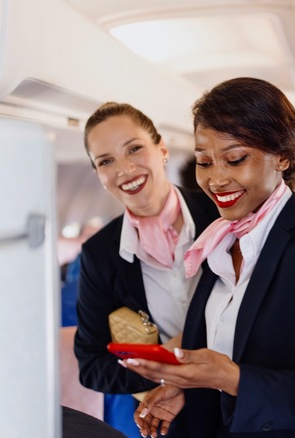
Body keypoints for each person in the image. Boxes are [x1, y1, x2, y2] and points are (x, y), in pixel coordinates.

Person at [120, 77, 295, 437]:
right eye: (204, 162)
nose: (216, 179)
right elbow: (222, 351)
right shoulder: (219, 240)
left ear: (284, 157)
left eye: (235, 159)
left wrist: (236, 379)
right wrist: (186, 389)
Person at [73, 102, 219, 435]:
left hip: (249, 400)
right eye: (106, 161)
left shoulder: (219, 211)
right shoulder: (99, 254)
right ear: (98, 175)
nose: (123, 169)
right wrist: (164, 367)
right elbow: (91, 367)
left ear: (162, 149)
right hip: (178, 419)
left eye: (134, 149)